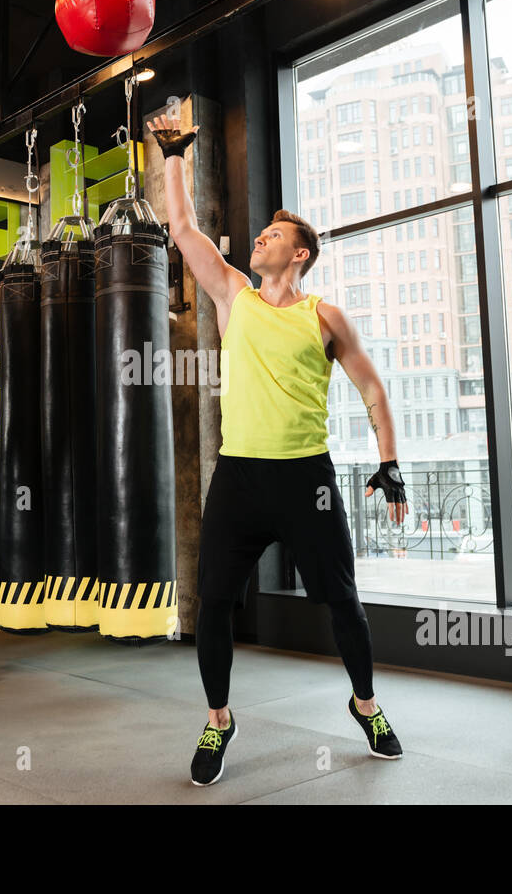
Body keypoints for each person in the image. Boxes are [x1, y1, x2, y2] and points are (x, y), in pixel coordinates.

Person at [148, 112, 411, 787]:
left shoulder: (323, 315)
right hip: (238, 476)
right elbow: (182, 230)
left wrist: (388, 463)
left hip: (307, 480)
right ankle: (217, 719)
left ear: (299, 254)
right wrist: (174, 155)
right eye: (260, 233)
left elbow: (373, 391)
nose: (259, 238)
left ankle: (366, 704)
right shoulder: (234, 295)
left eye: (273, 235)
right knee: (213, 603)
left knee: (343, 601)